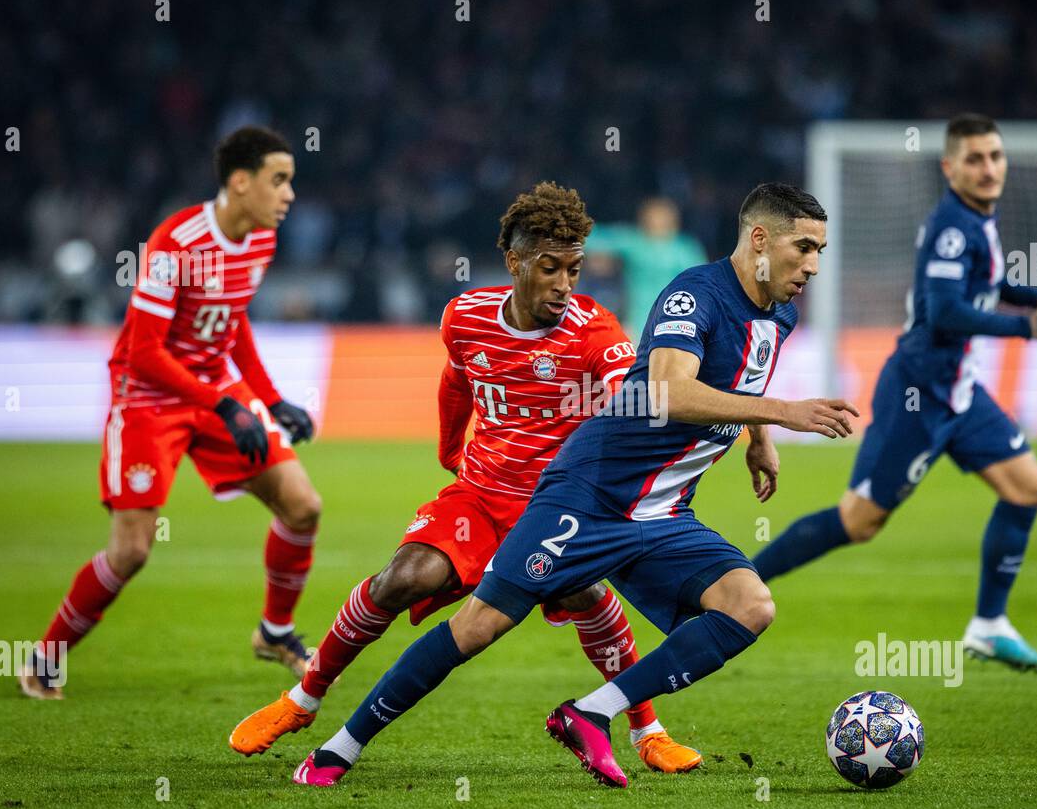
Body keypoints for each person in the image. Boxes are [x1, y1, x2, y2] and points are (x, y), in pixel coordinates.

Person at [288, 182, 857, 789]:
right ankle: (337, 749)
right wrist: (784, 412)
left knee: (751, 606)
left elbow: (741, 377)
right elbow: (665, 391)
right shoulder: (696, 294)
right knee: (479, 626)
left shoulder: (782, 313)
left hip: (662, 514)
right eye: (805, 248)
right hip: (589, 494)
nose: (814, 266)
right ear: (762, 239)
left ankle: (591, 713)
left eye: (821, 250)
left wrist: (759, 441)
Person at [229, 182, 702, 774]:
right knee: (400, 579)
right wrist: (450, 447)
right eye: (549, 267)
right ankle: (301, 699)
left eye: (574, 269)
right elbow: (456, 383)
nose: (563, 284)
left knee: (583, 593)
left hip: (555, 506)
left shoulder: (597, 334)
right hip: (481, 494)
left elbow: (635, 401)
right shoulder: (466, 315)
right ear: (514, 262)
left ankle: (648, 731)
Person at [753, 114, 1037, 671]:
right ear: (949, 167)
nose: (987, 169)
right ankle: (738, 584)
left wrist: (1036, 296)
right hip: (920, 393)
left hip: (962, 391)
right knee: (859, 523)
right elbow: (943, 310)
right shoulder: (952, 226)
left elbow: (984, 282)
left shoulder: (980, 220)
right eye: (974, 159)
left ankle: (988, 625)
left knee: (1027, 488)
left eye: (995, 157)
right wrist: (1026, 328)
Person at [20, 126, 321, 699]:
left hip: (213, 396)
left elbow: (231, 323)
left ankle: (274, 631)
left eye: (291, 182)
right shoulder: (175, 243)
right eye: (279, 181)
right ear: (240, 181)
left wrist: (272, 397)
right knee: (131, 550)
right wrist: (226, 402)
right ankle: (44, 656)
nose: (289, 195)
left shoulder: (260, 240)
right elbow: (144, 352)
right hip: (148, 399)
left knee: (303, 506)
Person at [586, 197, 707, 333]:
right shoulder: (636, 241)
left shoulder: (684, 249)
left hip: (675, 323)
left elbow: (703, 285)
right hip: (638, 323)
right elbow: (598, 239)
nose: (656, 222)